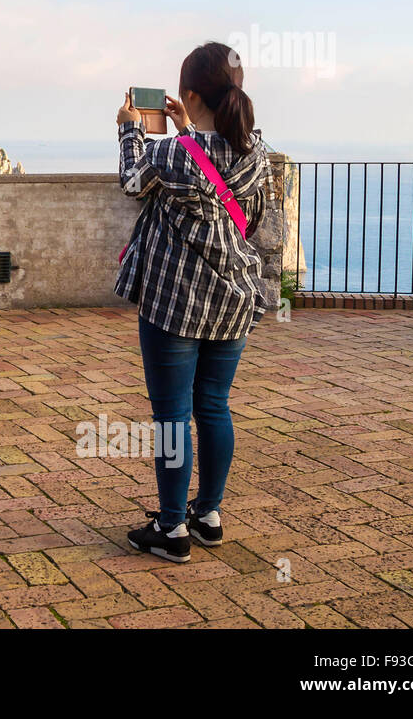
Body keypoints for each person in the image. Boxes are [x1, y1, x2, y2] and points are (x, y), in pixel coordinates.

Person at [116, 41, 271, 564]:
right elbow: (221, 187)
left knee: (172, 417)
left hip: (174, 302)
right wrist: (188, 127)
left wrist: (130, 127)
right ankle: (208, 515)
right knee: (213, 406)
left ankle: (170, 528)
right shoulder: (259, 152)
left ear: (186, 93)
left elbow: (133, 182)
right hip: (232, 299)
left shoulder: (171, 153)